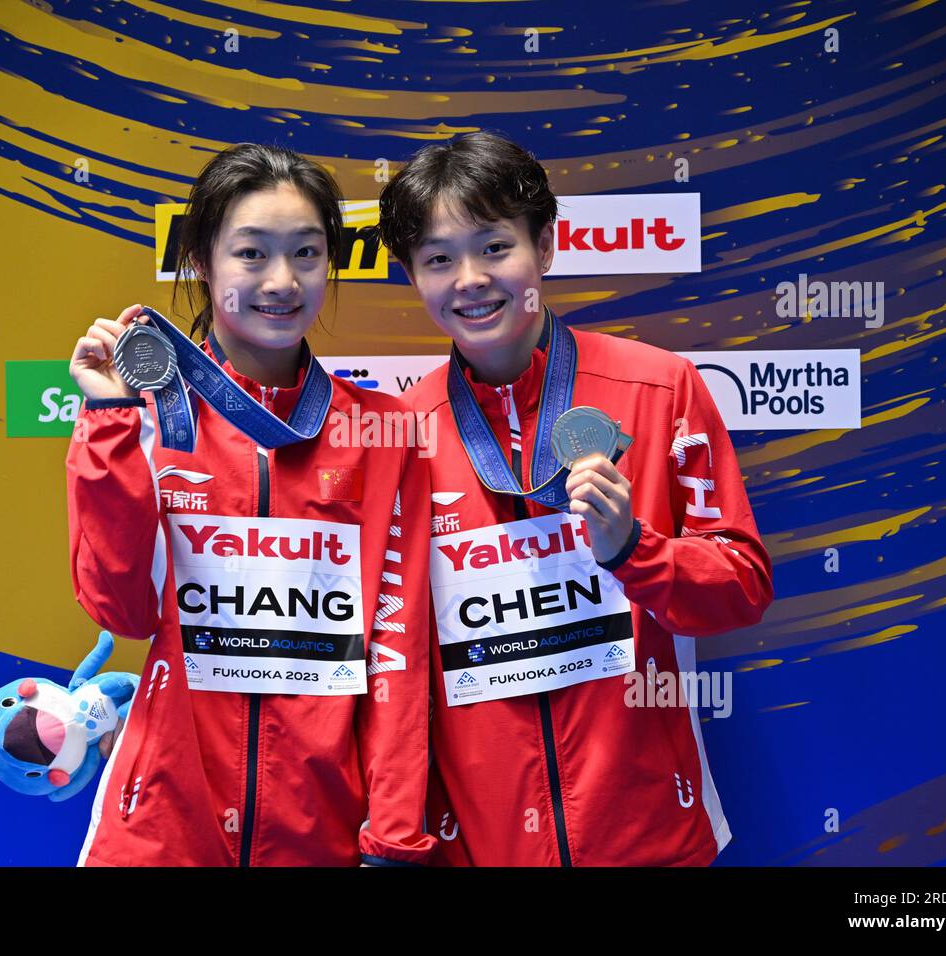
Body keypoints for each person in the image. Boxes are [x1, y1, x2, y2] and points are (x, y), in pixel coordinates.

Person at [377, 131, 774, 866]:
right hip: (482, 848)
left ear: (547, 248)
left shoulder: (661, 390)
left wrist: (634, 548)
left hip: (650, 838)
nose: (470, 279)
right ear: (411, 277)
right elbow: (393, 667)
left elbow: (742, 589)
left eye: (495, 247)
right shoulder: (399, 437)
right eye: (438, 259)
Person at [66, 143, 435, 866]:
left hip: (321, 833)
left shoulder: (382, 433)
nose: (282, 280)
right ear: (201, 260)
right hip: (159, 832)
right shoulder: (144, 417)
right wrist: (109, 421)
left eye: (306, 253)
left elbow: (397, 650)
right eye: (251, 254)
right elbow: (123, 610)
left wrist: (393, 839)